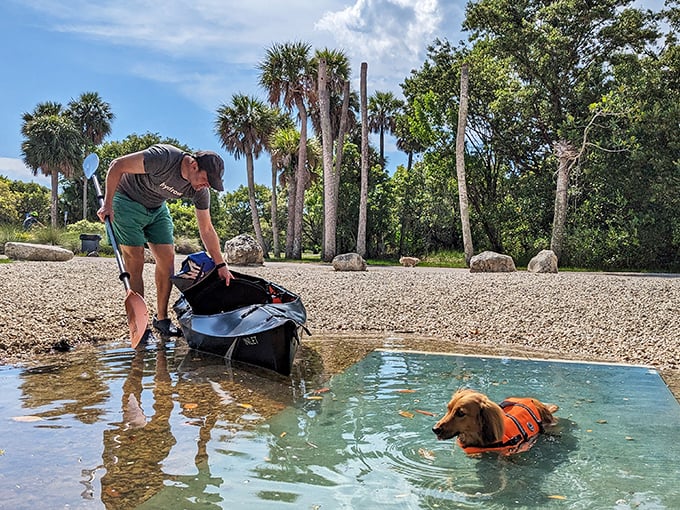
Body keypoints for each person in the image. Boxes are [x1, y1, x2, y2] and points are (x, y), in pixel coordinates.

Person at [97, 143, 233, 339]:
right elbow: (117, 165)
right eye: (206, 179)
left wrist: (221, 265)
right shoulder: (164, 157)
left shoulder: (200, 191)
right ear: (194, 165)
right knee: (136, 260)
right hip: (126, 201)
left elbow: (207, 229)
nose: (207, 185)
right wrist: (108, 204)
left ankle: (161, 320)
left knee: (168, 260)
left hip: (157, 208)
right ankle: (140, 325)